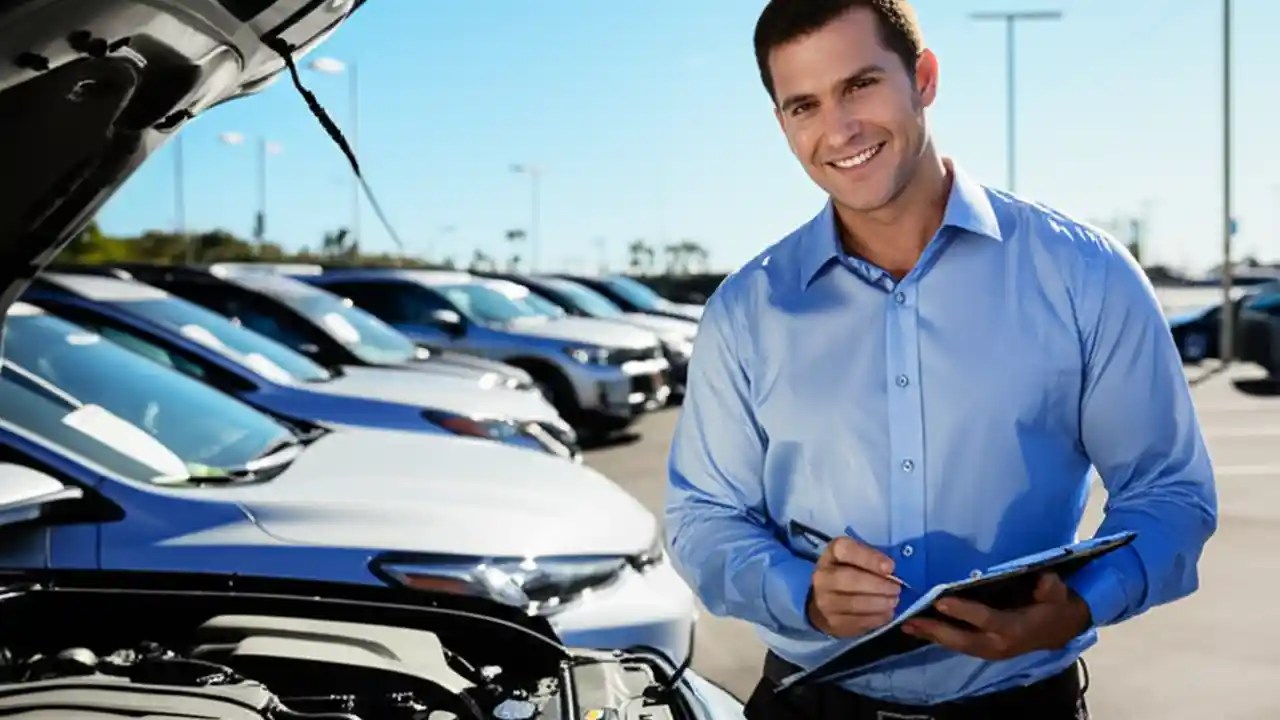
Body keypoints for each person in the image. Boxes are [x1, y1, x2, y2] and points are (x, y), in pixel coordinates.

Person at [664, 0, 1218, 717]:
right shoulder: (746, 311)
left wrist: (1079, 606)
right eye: (805, 104)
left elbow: (1171, 492)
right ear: (782, 123)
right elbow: (703, 515)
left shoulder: (1085, 274)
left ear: (923, 77)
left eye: (860, 85)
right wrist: (799, 592)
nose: (838, 129)